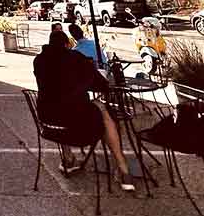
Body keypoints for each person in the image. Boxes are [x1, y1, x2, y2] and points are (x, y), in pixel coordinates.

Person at [33, 31, 135, 190]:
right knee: (101, 108)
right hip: (78, 125)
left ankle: (68, 158)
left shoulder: (39, 61)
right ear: (67, 45)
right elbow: (101, 84)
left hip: (48, 123)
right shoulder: (75, 58)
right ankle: (123, 168)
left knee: (60, 108)